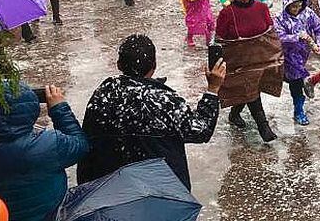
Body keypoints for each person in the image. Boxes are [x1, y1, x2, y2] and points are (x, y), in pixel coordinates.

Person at [77, 34, 225, 190]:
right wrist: (212, 90)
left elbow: (88, 136)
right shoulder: (164, 101)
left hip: (108, 188)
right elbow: (200, 130)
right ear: (154, 66)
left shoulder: (104, 94)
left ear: (119, 64)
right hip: (160, 189)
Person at [0, 83, 88, 221]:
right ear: (32, 110)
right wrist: (59, 109)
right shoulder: (51, 144)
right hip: (51, 215)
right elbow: (80, 145)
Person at [215, 0, 282, 142]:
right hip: (240, 61)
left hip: (261, 57)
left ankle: (234, 113)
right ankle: (263, 126)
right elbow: (221, 38)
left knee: (249, 89)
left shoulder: (261, 8)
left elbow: (269, 32)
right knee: (249, 86)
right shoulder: (226, 13)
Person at [275, 0, 320, 125]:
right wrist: (296, 37)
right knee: (296, 82)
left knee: (296, 80)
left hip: (303, 56)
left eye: (299, 5)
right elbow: (278, 38)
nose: (296, 9)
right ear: (287, 4)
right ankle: (299, 110)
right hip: (288, 57)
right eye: (293, 6)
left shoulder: (308, 13)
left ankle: (300, 100)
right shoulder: (280, 19)